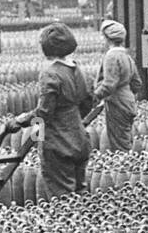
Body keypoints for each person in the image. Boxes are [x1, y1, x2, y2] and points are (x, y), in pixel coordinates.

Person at [7, 22, 94, 198]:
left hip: (58, 144)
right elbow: (88, 102)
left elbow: (44, 113)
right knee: (81, 194)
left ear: (47, 46)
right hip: (80, 139)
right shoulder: (79, 70)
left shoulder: (50, 73)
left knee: (63, 199)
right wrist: (74, 121)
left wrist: (20, 121)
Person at [95, 18, 142, 151]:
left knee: (120, 146)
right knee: (126, 140)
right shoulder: (126, 56)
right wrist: (127, 94)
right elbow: (137, 83)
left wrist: (94, 96)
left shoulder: (112, 56)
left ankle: (127, 170)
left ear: (107, 38)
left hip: (117, 105)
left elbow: (109, 85)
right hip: (128, 103)